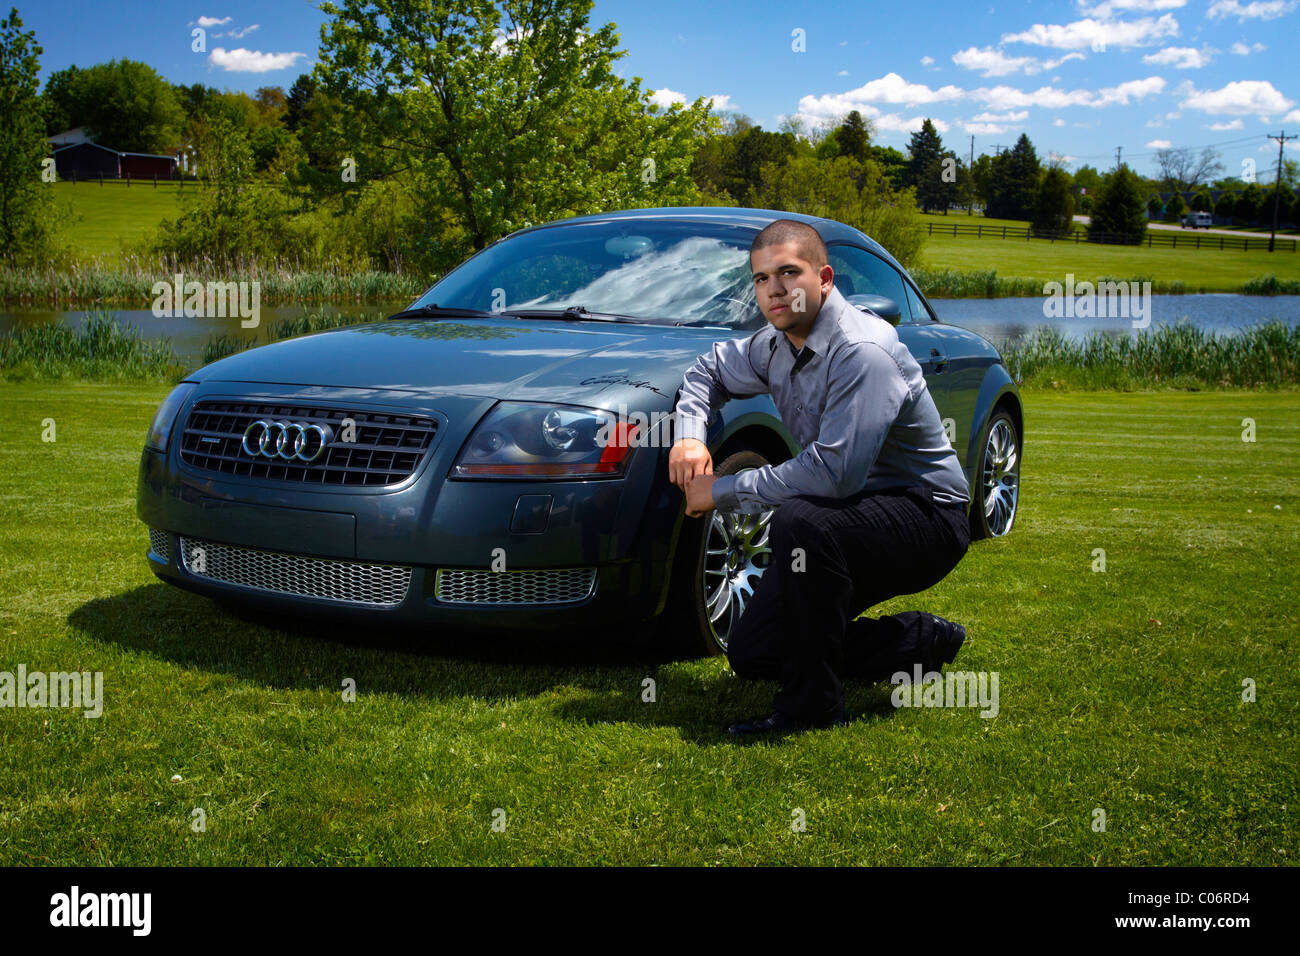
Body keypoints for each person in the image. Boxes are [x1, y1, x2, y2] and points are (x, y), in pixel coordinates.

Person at [668, 219, 972, 737]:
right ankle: (917, 639)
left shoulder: (863, 351)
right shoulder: (773, 345)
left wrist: (719, 491)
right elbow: (707, 370)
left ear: (825, 278)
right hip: (845, 518)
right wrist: (690, 435)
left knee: (804, 519)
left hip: (926, 514)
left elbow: (833, 475)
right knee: (753, 651)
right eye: (762, 279)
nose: (775, 290)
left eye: (789, 273)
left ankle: (813, 707)